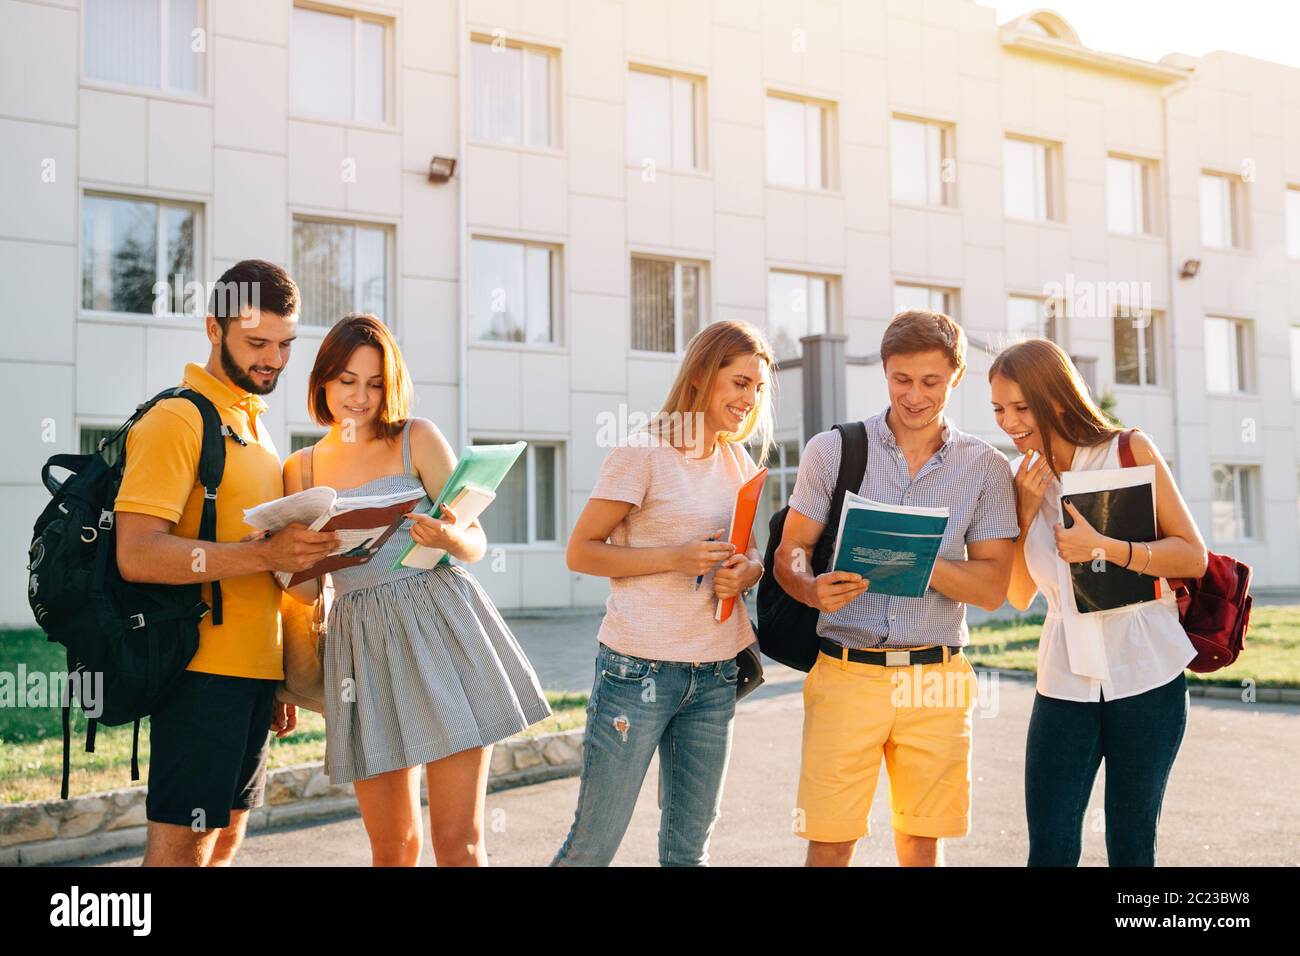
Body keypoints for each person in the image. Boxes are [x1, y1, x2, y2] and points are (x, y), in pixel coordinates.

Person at [283, 313, 550, 867]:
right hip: (361, 649)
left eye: (375, 383)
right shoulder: (300, 469)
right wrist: (299, 561)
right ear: (323, 381)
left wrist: (449, 533)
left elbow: (474, 539)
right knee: (394, 848)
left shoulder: (417, 438)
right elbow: (303, 597)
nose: (360, 396)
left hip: (442, 631)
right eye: (347, 380)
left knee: (459, 843)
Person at [115, 259, 340, 867]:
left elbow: (260, 571)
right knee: (179, 855)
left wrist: (278, 674)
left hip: (251, 677)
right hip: (197, 674)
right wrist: (265, 553)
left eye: (286, 344)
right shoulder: (178, 419)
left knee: (224, 846)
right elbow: (136, 553)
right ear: (213, 329)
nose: (274, 359)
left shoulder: (255, 427)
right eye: (257, 343)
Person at [775, 309, 1019, 867]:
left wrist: (915, 557)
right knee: (832, 841)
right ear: (885, 371)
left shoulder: (985, 468)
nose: (914, 396)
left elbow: (990, 589)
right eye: (901, 379)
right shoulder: (832, 450)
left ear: (956, 379)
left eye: (931, 382)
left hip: (936, 677)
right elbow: (790, 552)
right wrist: (811, 588)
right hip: (845, 672)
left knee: (920, 843)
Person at [551, 320, 774, 866]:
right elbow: (581, 551)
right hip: (638, 673)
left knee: (688, 853)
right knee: (592, 847)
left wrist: (750, 571)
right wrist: (674, 559)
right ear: (702, 374)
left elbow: (747, 555)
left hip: (717, 671)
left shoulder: (736, 461)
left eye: (758, 389)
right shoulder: (642, 454)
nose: (750, 400)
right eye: (740, 383)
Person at [990, 338, 1207, 866]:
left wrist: (1105, 549)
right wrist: (1021, 511)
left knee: (1131, 849)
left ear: (1058, 401)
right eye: (998, 409)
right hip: (1063, 682)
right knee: (1050, 848)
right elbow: (1018, 594)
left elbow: (1192, 556)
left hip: (1146, 677)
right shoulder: (1020, 480)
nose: (1009, 422)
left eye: (1021, 407)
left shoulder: (1128, 450)